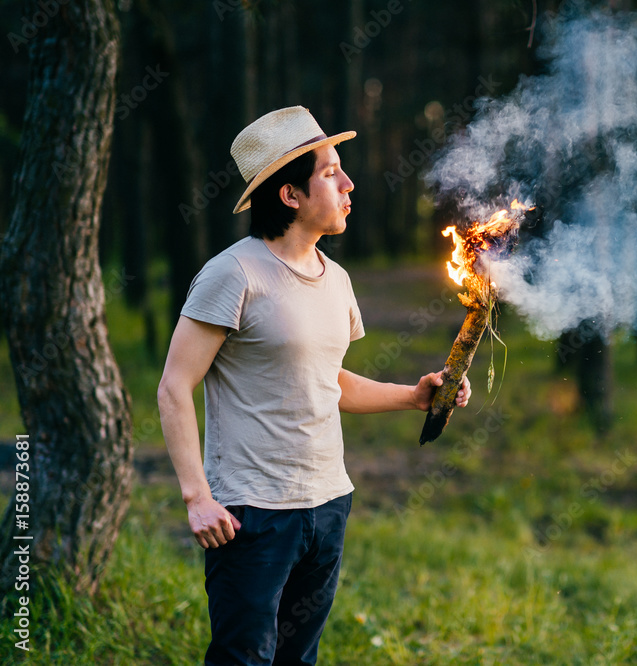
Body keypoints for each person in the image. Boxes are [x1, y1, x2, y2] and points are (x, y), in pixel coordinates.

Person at [157, 106, 470, 665]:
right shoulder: (234, 274)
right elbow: (175, 386)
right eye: (330, 173)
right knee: (242, 658)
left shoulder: (337, 279)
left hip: (328, 504)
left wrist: (412, 395)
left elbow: (328, 381)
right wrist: (197, 498)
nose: (349, 184)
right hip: (250, 515)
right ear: (290, 196)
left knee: (299, 658)